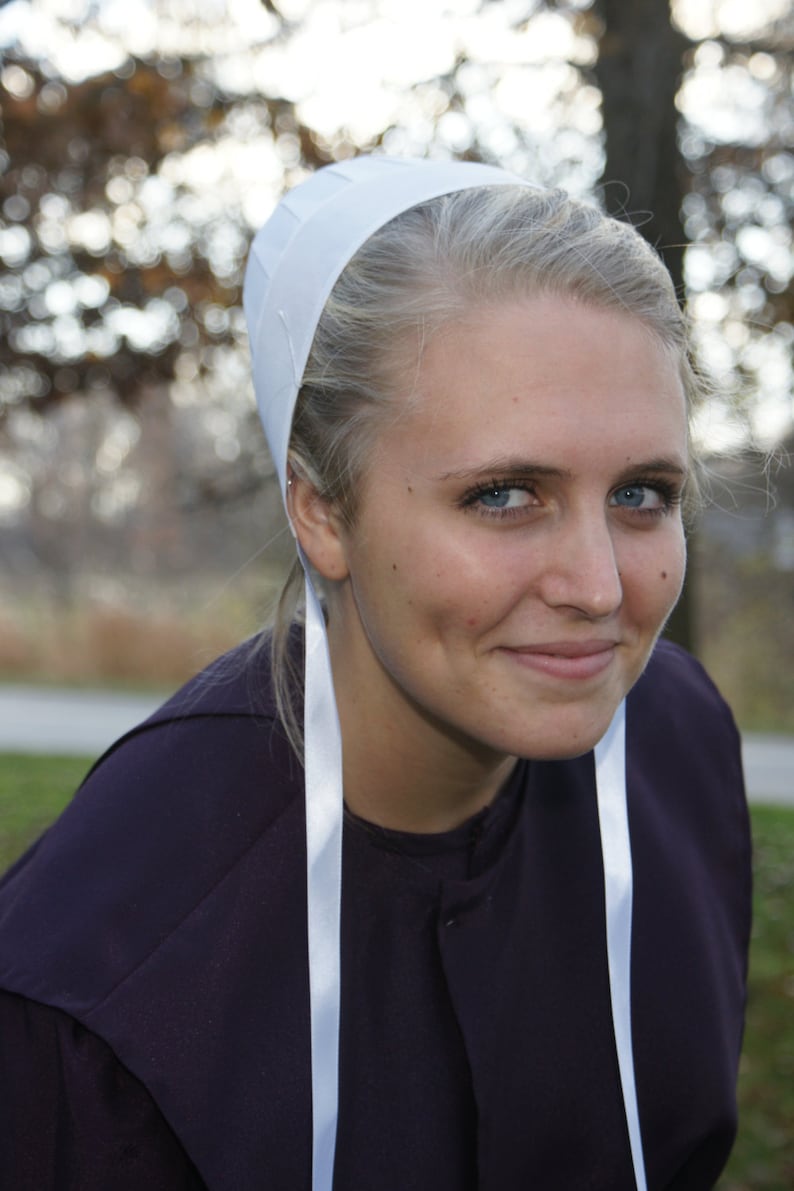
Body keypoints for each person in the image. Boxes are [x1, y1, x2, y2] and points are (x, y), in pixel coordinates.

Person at [0, 156, 751, 1191]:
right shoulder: (103, 972)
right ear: (319, 510)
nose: (596, 586)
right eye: (501, 495)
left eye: (640, 493)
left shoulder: (678, 750)